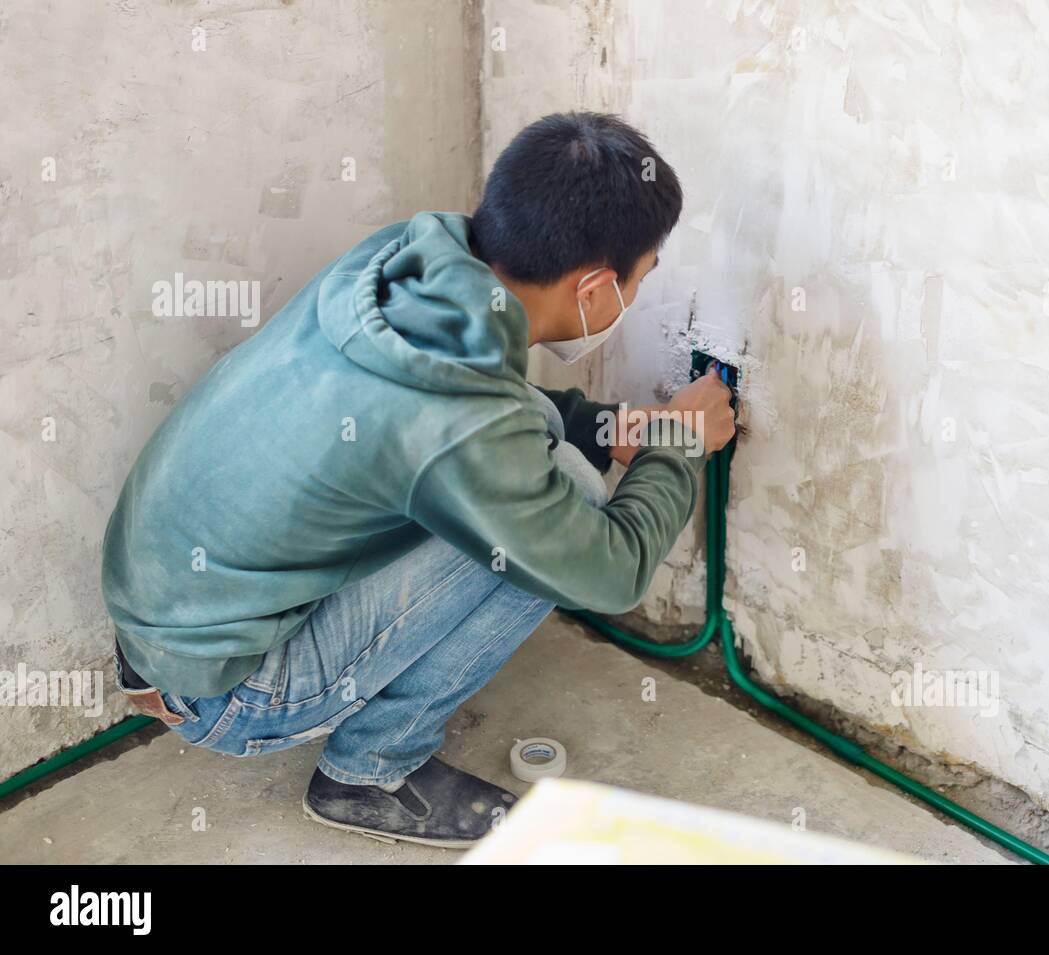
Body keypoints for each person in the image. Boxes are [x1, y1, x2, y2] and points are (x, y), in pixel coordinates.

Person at [100, 112, 737, 847]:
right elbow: (610, 567)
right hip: (226, 689)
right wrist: (678, 444)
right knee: (571, 503)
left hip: (160, 608)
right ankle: (369, 770)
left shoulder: (409, 263)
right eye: (639, 282)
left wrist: (605, 425)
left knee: (539, 452)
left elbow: (491, 411)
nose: (633, 302)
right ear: (593, 288)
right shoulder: (459, 407)